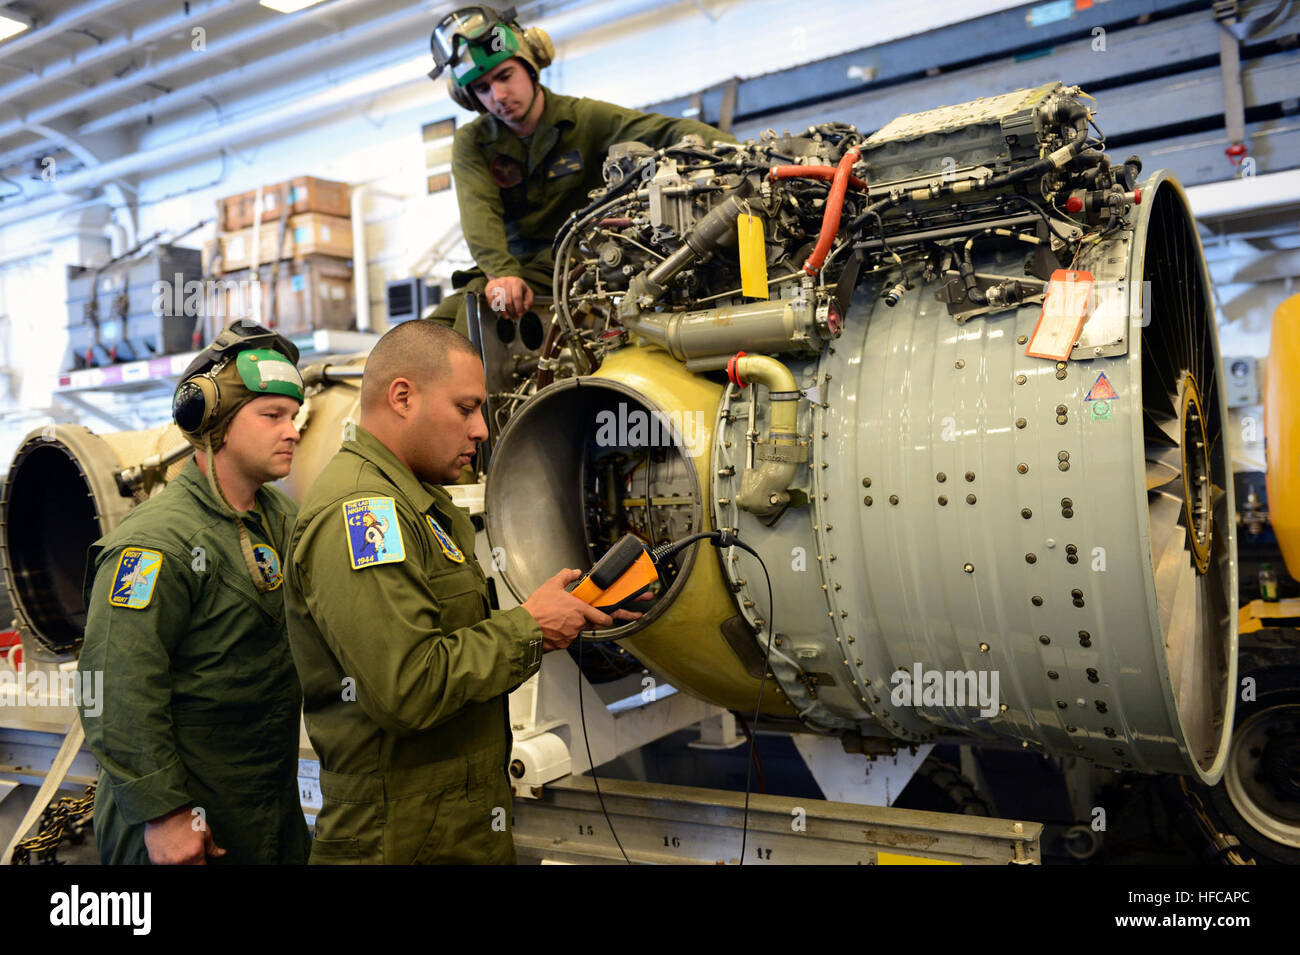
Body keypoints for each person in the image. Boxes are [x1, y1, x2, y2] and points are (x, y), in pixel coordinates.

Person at [283, 319, 635, 864]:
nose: (482, 431)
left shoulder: (421, 506)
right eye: (466, 409)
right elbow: (409, 687)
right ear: (402, 397)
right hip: (397, 842)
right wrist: (530, 627)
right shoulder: (361, 516)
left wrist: (545, 615)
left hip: (451, 829)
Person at [77, 319, 311, 865]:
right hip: (181, 829)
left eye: (294, 416)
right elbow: (114, 690)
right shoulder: (154, 545)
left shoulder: (285, 521)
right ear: (214, 422)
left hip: (266, 810)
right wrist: (165, 816)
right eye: (272, 415)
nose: (293, 430)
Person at [427, 4, 733, 333]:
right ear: (469, 98)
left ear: (531, 66)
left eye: (504, 76)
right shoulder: (472, 142)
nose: (498, 95)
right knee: (431, 334)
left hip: (572, 262)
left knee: (471, 326)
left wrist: (736, 153)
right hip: (507, 267)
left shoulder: (585, 119)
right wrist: (501, 273)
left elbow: (668, 132)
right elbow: (478, 211)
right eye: (482, 89)